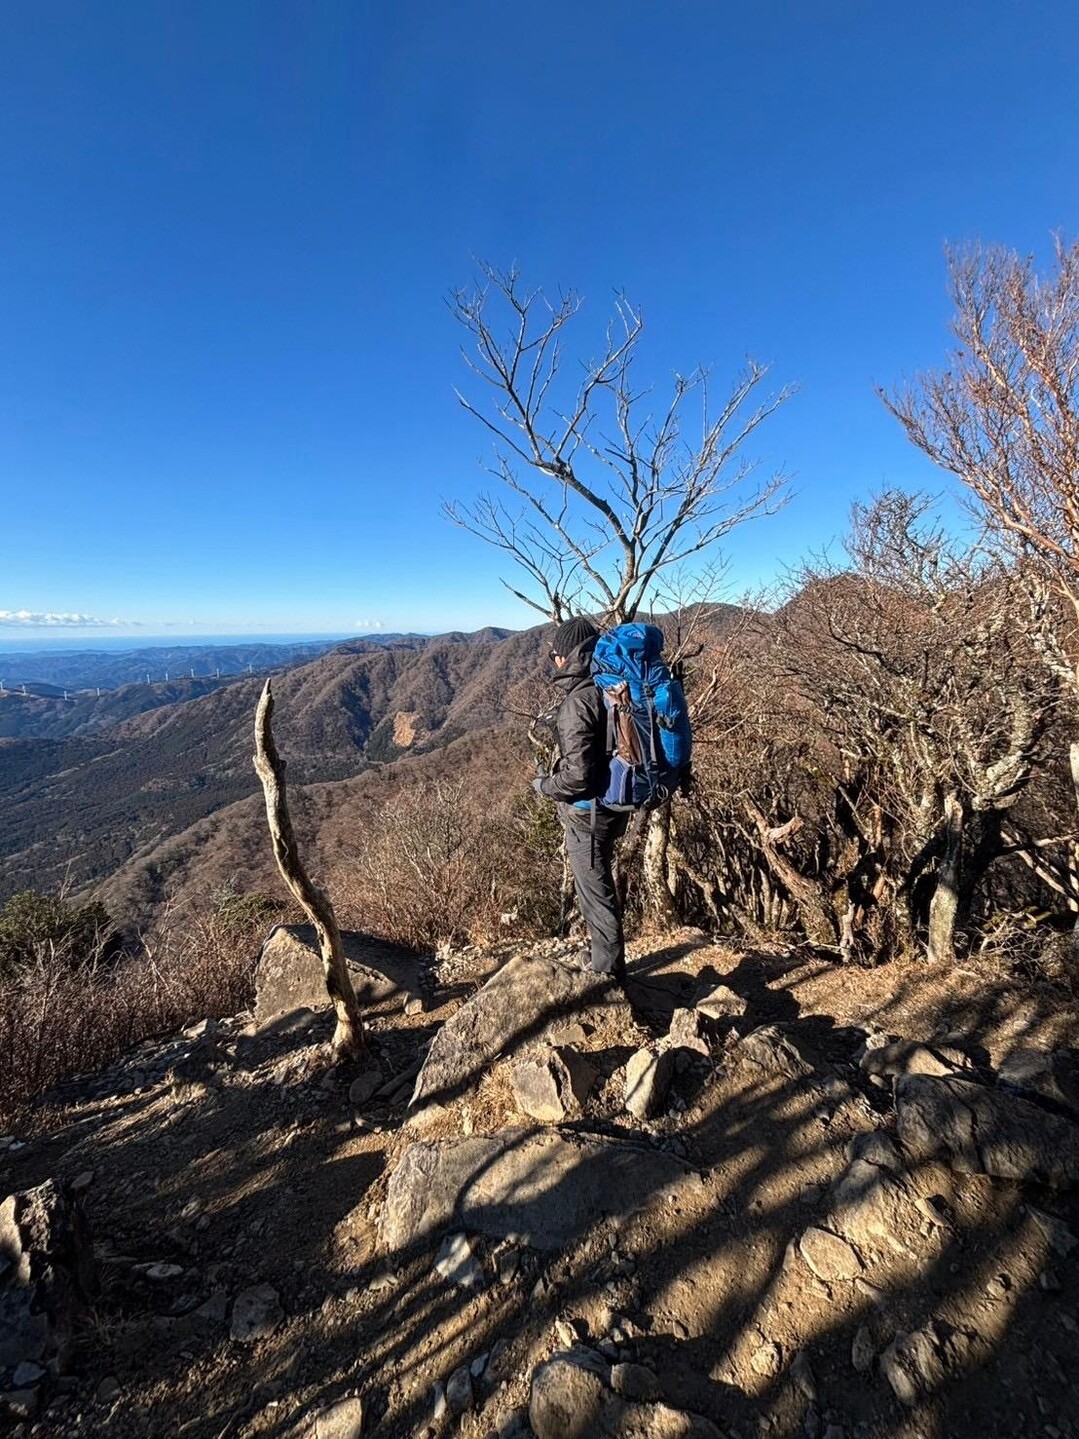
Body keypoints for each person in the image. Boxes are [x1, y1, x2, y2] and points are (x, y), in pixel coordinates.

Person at [533, 616, 630, 982]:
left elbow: (578, 777)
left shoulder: (578, 702)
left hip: (588, 813)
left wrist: (544, 786)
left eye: (555, 655)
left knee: (595, 892)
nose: (554, 661)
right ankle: (603, 955)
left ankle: (608, 976)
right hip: (611, 804)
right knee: (597, 886)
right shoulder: (609, 688)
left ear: (569, 657)